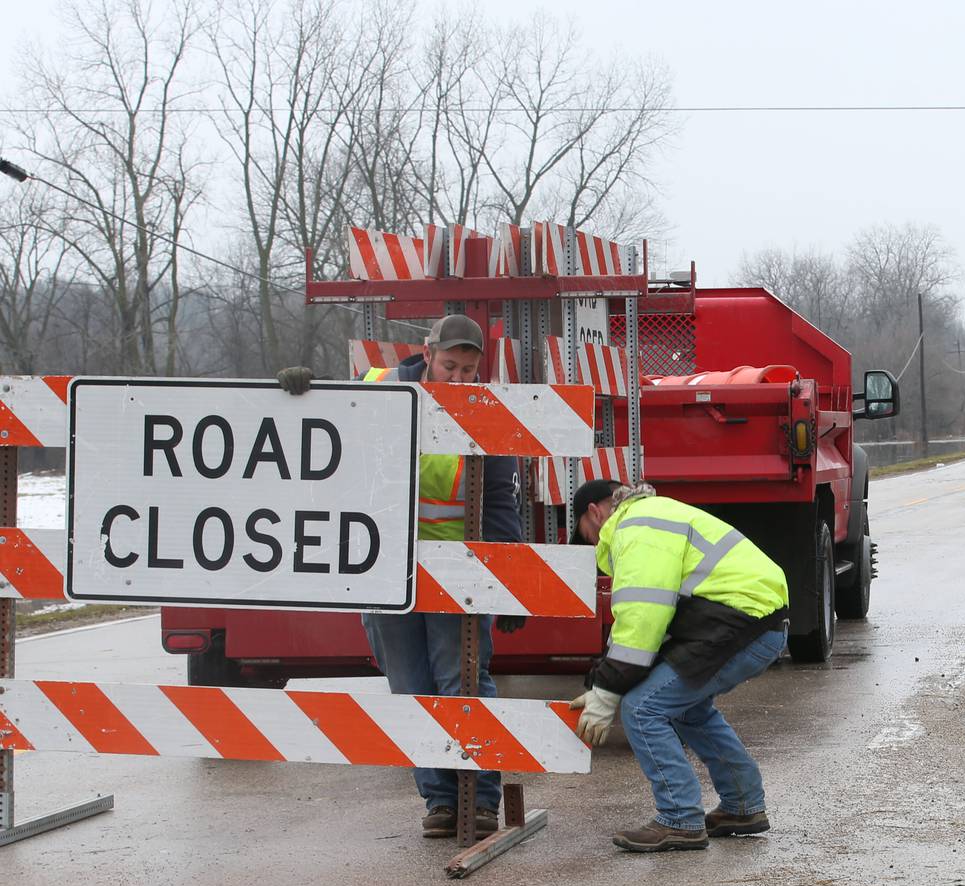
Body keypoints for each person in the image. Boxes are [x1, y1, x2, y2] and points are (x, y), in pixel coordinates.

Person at [277, 315, 525, 838]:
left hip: (458, 574)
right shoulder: (380, 389)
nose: (458, 379)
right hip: (384, 569)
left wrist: (506, 582)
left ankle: (478, 801)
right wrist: (300, 391)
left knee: (461, 683)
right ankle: (439, 801)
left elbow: (501, 500)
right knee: (409, 686)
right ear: (428, 354)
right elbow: (326, 424)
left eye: (469, 370)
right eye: (450, 366)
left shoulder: (487, 411)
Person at [567, 479, 788, 853]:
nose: (590, 543)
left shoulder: (635, 529)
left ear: (594, 512)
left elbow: (641, 622)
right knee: (688, 709)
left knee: (643, 708)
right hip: (755, 621)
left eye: (585, 534)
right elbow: (642, 626)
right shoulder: (655, 515)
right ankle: (742, 805)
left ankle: (680, 818)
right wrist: (603, 684)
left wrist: (609, 694)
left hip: (738, 621)